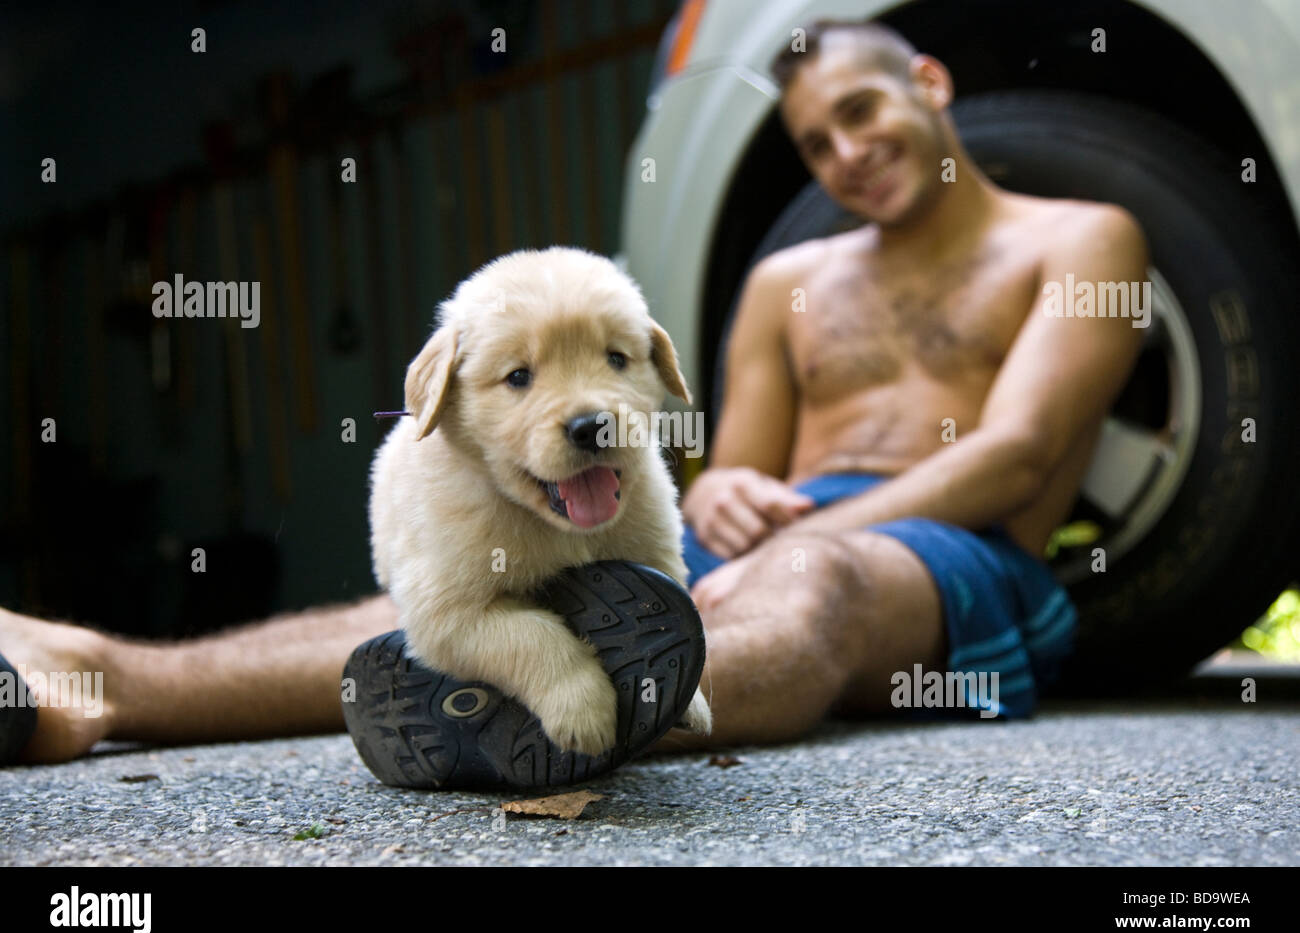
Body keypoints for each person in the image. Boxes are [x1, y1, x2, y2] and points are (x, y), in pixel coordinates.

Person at [0, 19, 1145, 766]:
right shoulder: (789, 280)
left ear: (929, 83)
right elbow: (723, 464)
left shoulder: (1083, 237)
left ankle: (562, 719)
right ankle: (99, 671)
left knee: (809, 576)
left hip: (955, 552)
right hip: (775, 534)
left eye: (859, 113)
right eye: (812, 143)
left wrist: (787, 533)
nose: (842, 153)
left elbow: (1019, 450)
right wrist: (735, 494)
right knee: (474, 583)